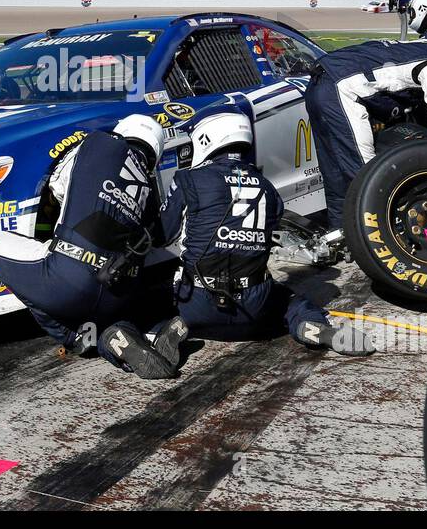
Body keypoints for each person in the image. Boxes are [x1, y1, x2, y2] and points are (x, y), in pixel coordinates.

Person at [151, 113, 374, 365]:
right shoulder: (267, 187)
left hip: (197, 307)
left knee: (148, 297)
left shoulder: (188, 179)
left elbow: (161, 235)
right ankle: (310, 326)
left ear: (206, 140)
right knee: (291, 300)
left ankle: (168, 329)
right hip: (255, 311)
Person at [0, 114, 176, 379]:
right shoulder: (149, 188)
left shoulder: (93, 144)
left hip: (66, 279)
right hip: (118, 292)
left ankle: (76, 335)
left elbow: (57, 188)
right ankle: (114, 335)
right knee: (105, 314)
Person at [305, 33, 427, 229]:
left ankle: (340, 231)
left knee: (335, 172)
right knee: (367, 173)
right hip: (339, 90)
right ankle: (381, 235)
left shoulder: (405, 46)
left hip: (316, 85)